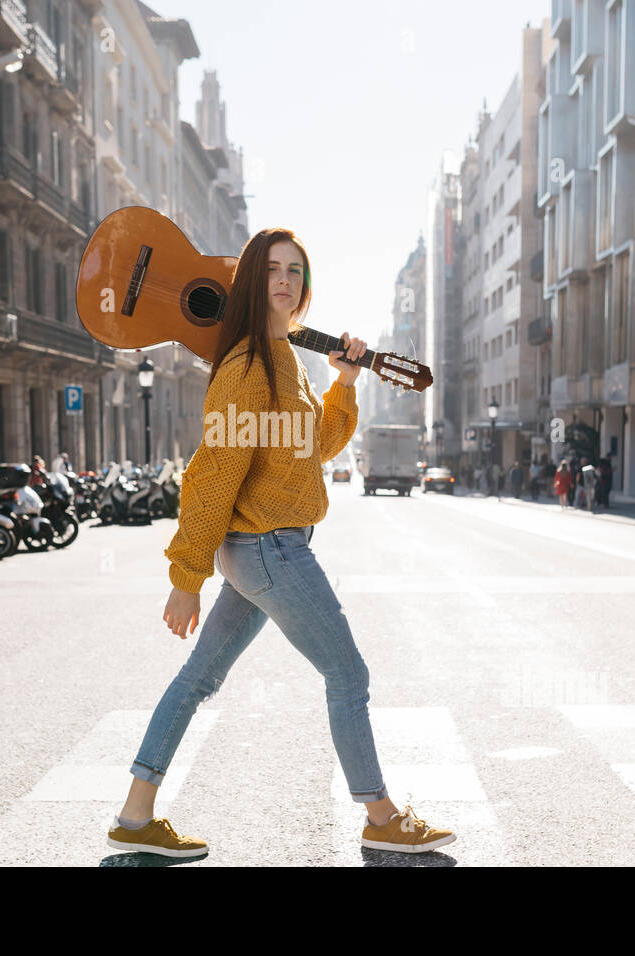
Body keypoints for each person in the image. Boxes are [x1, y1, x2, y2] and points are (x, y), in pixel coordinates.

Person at [110, 226, 455, 858]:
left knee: (197, 679)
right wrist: (185, 578)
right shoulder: (245, 365)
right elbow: (213, 475)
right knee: (346, 672)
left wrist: (345, 384)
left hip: (262, 551)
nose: (285, 279)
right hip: (271, 550)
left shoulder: (288, 359)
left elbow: (313, 450)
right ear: (249, 279)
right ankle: (380, 816)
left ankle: (136, 815)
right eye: (272, 268)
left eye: (295, 270)